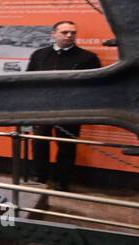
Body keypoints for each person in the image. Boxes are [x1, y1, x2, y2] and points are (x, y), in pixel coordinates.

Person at [25, 19, 101, 191]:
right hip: (41, 108)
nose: (69, 36)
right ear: (53, 34)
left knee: (66, 146)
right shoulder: (39, 55)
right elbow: (29, 80)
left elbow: (93, 87)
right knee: (39, 144)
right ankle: (39, 177)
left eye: (72, 33)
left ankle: (61, 181)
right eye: (64, 32)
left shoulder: (88, 58)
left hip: (70, 109)